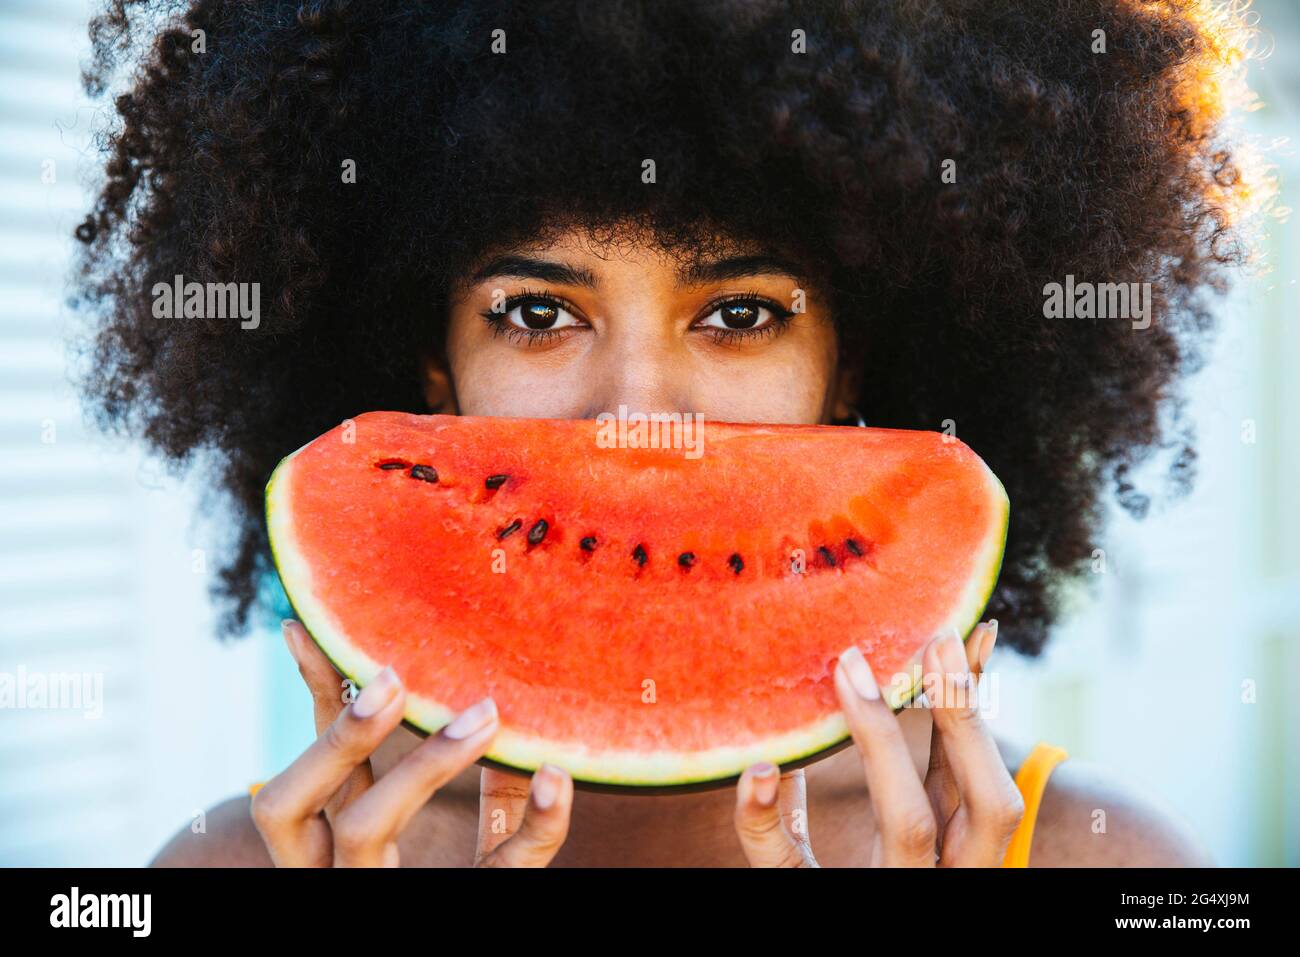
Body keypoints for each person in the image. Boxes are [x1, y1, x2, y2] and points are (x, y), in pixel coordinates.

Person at [72, 0, 1260, 866]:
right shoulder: (245, 864)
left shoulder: (1099, 863)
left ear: (848, 372)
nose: (640, 412)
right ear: (434, 373)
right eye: (536, 314)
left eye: (738, 315)